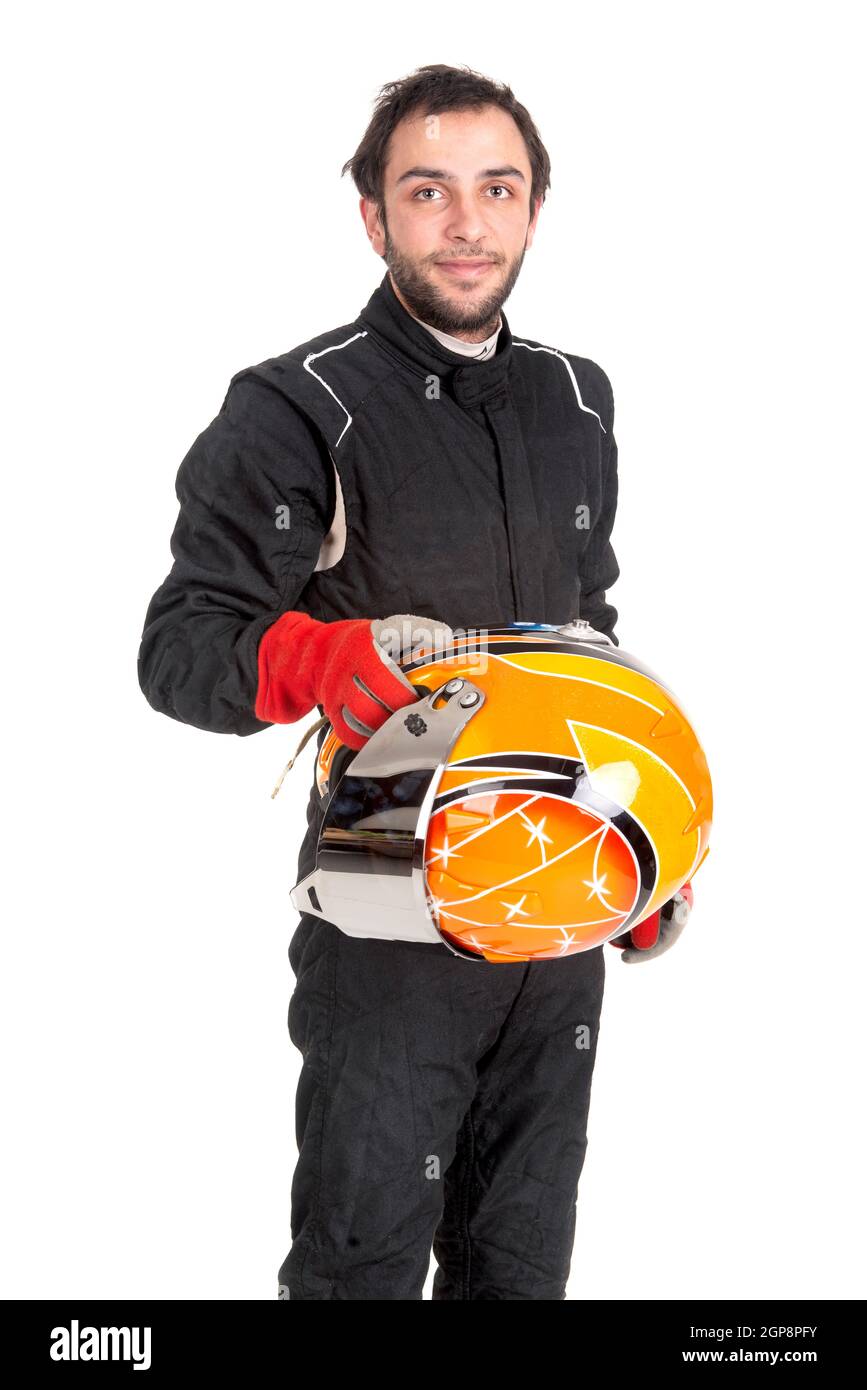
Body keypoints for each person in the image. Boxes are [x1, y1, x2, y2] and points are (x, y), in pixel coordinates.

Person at [138, 62, 687, 1300]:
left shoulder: (573, 397)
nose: (467, 221)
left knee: (522, 1267)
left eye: (498, 188)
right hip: (389, 893)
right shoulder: (298, 405)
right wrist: (319, 656)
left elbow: (586, 639)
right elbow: (178, 646)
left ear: (536, 207)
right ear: (374, 217)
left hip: (556, 900)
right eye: (427, 190)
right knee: (362, 1268)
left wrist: (643, 846)